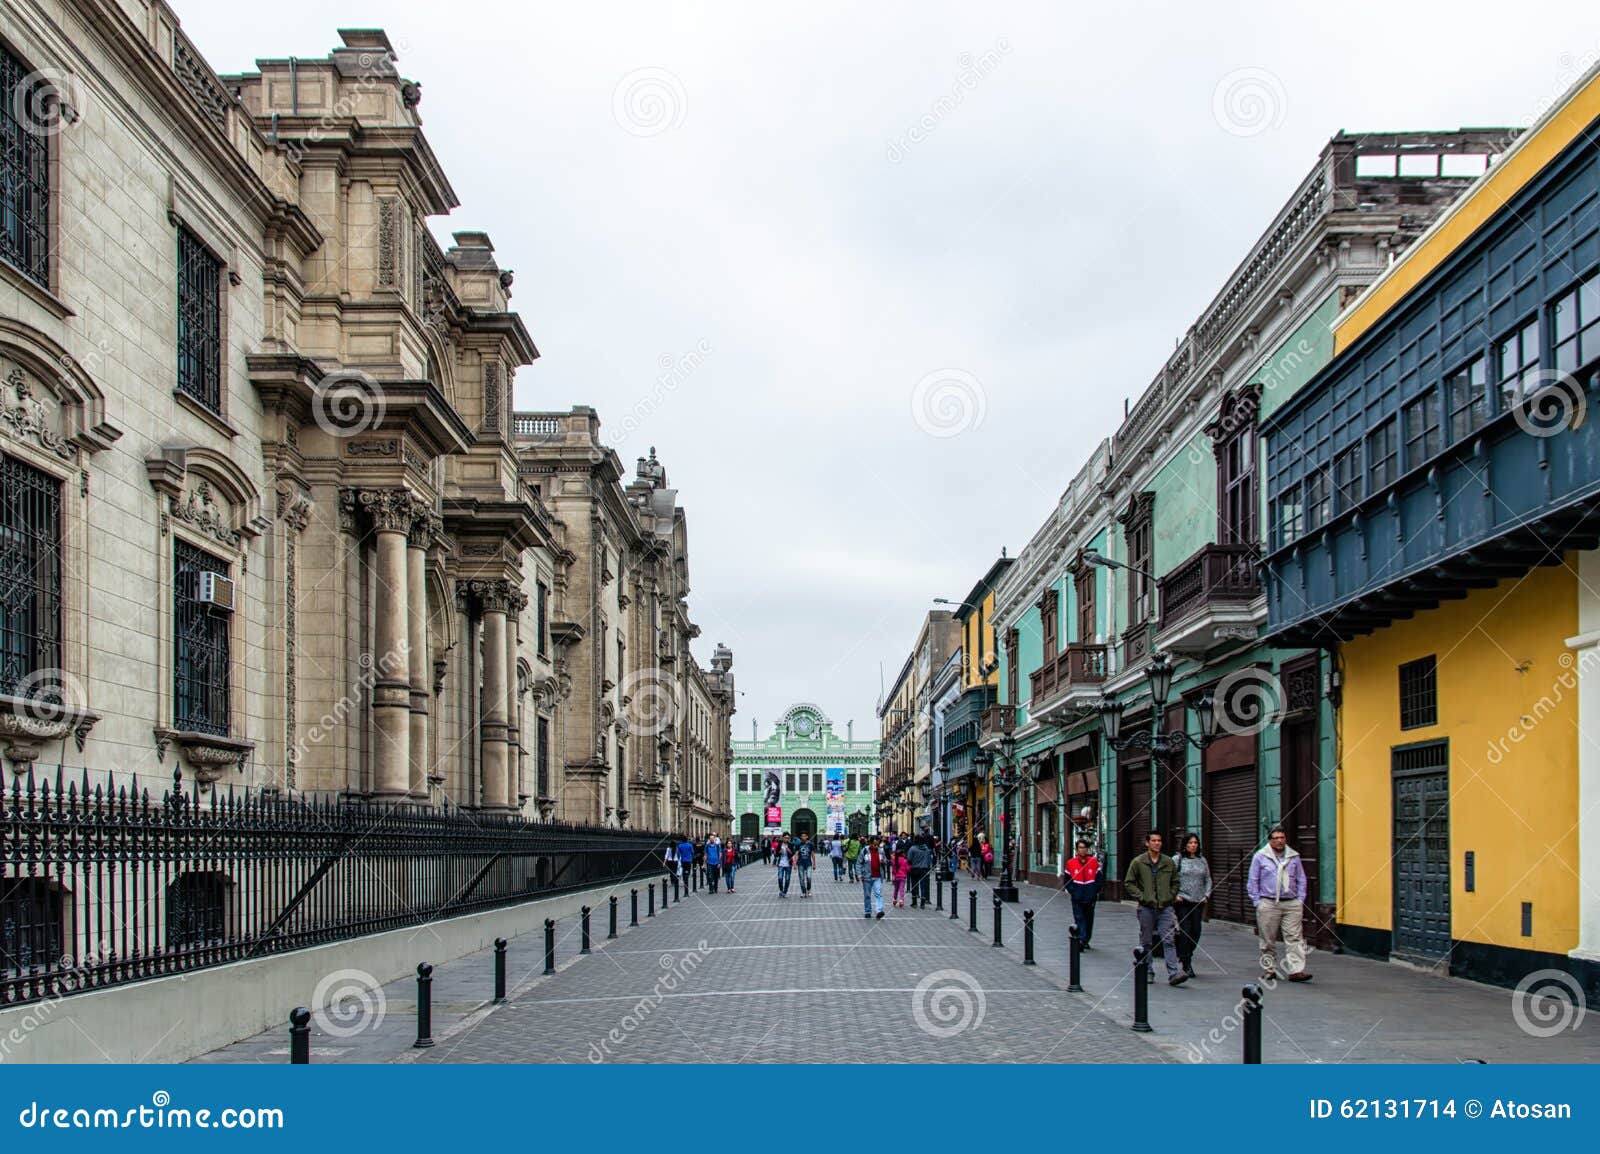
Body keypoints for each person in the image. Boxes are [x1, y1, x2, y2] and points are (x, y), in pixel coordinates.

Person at [1248, 825, 1312, 982]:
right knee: (1267, 939)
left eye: (1282, 838)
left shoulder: (1293, 856)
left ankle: (1296, 971)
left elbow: (1301, 879)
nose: (1280, 841)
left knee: (1295, 937)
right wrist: (1257, 902)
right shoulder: (1260, 856)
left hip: (1291, 903)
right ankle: (1269, 970)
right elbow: (1253, 880)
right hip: (1268, 903)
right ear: (1269, 840)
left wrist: (1300, 899)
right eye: (1276, 838)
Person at [1124, 830, 1187, 987]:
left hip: (1165, 908)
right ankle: (1148, 971)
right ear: (1147, 843)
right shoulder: (1138, 862)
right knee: (1146, 941)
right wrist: (1142, 897)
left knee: (1169, 939)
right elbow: (1129, 883)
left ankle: (1173, 974)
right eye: (1153, 840)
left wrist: (1170, 896)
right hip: (1146, 907)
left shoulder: (1168, 862)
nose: (1157, 843)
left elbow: (1176, 881)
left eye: (1159, 840)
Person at [1173, 833, 1212, 979]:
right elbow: (1170, 878)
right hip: (1182, 901)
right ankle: (1186, 963)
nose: (1193, 845)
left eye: (1195, 843)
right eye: (1190, 843)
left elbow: (1208, 879)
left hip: (1198, 901)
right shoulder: (1177, 860)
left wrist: (1207, 895)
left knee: (1196, 931)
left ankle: (1185, 952)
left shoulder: (1202, 860)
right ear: (1184, 845)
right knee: (1186, 931)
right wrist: (1174, 894)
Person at [1062, 839, 1101, 950]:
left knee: (1089, 920)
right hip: (1077, 896)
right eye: (1080, 848)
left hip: (1090, 896)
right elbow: (1067, 881)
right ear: (1077, 849)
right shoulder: (1071, 863)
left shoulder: (1093, 862)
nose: (1082, 850)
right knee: (1079, 918)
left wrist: (1094, 891)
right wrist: (1073, 891)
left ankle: (1086, 939)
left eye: (1084, 848)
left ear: (1087, 849)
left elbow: (1099, 879)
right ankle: (1081, 939)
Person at [859, 834, 886, 919]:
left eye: (877, 844)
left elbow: (885, 860)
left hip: (877, 876)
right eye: (874, 844)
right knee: (867, 895)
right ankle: (867, 911)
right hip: (867, 877)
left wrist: (884, 861)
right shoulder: (865, 851)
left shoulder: (881, 851)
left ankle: (879, 911)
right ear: (870, 843)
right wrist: (859, 874)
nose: (875, 846)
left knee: (878, 894)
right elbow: (859, 863)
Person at [907, 836, 933, 908]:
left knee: (914, 885)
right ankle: (923, 903)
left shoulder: (912, 849)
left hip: (915, 869)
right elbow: (929, 860)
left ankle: (914, 902)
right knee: (923, 886)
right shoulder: (927, 849)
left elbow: (909, 859)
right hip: (924, 869)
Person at [795, 832, 816, 898]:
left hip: (808, 863)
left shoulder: (810, 844)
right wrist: (795, 863)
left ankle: (808, 890)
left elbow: (813, 854)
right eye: (802, 836)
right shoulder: (799, 844)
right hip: (800, 863)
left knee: (809, 877)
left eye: (804, 836)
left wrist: (814, 864)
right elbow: (797, 854)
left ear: (807, 837)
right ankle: (803, 892)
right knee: (801, 878)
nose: (803, 837)